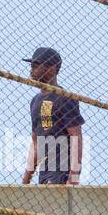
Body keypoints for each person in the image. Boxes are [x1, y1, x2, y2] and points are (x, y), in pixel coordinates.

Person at [20, 47, 84, 185]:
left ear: (52, 68)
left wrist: (73, 177)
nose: (32, 70)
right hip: (44, 171)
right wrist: (26, 179)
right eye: (31, 66)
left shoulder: (64, 97)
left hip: (62, 169)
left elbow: (76, 138)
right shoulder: (35, 101)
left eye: (36, 66)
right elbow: (36, 143)